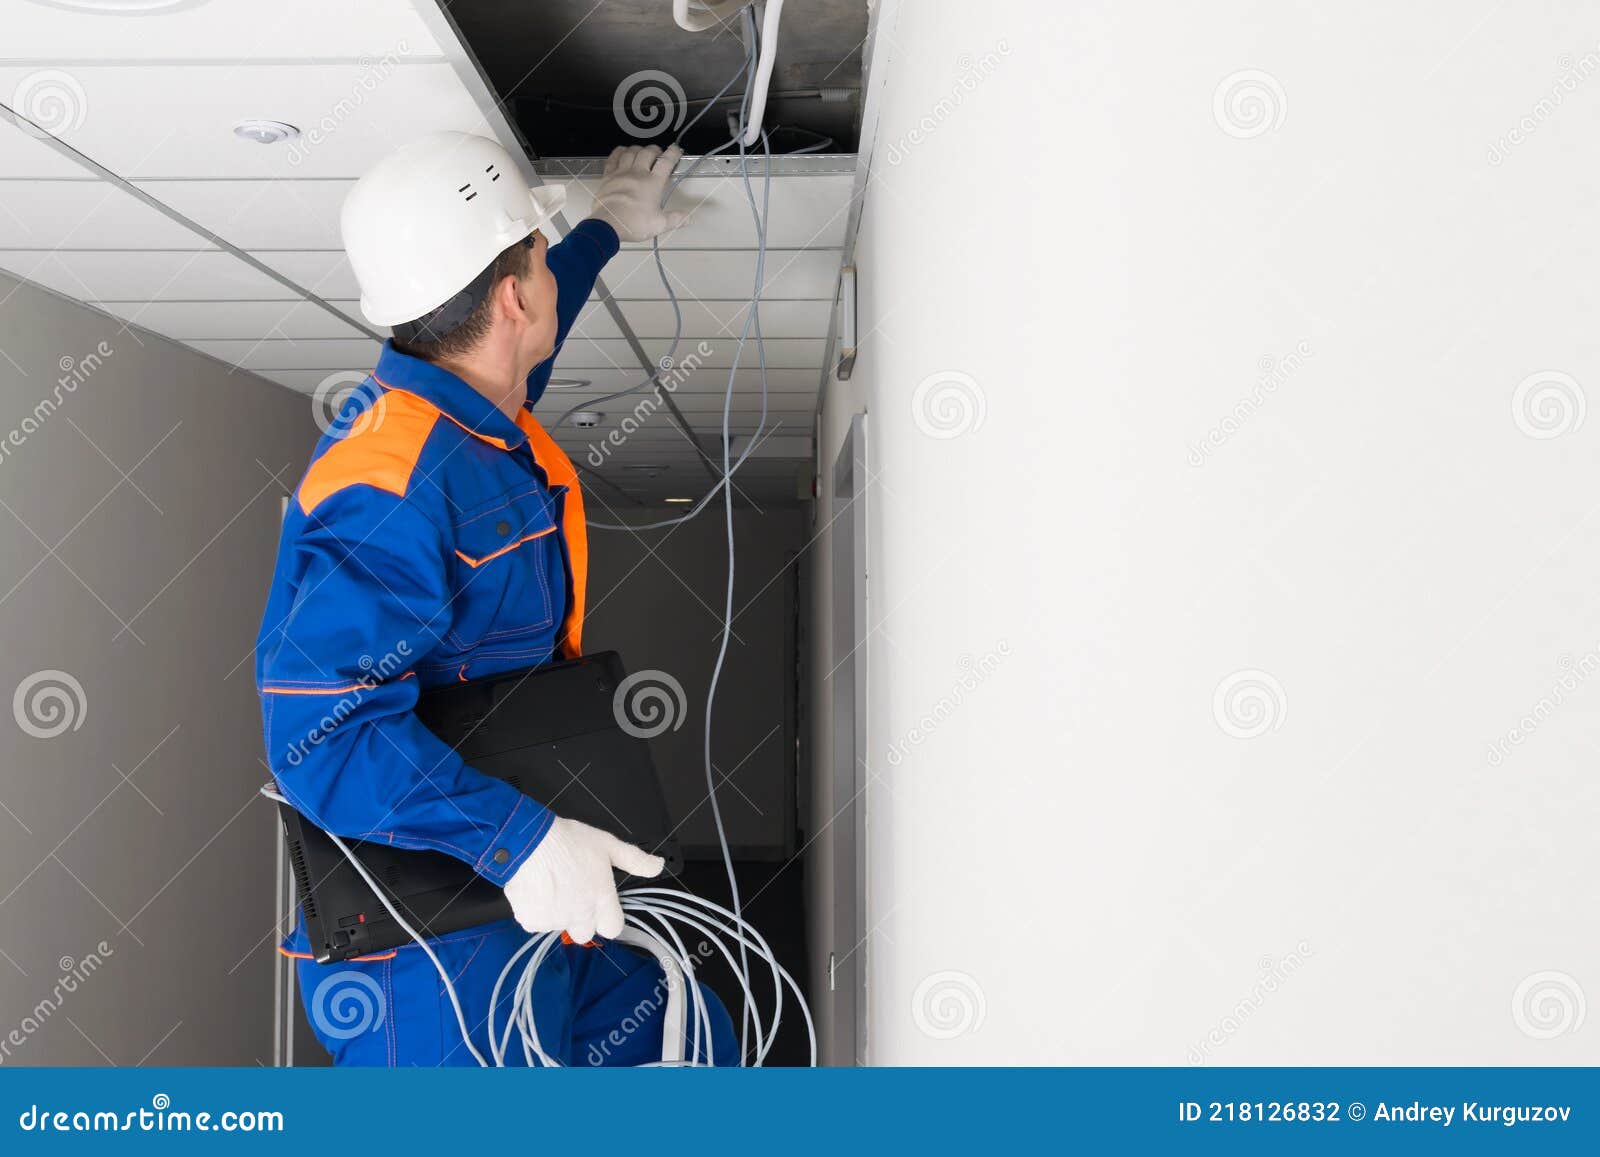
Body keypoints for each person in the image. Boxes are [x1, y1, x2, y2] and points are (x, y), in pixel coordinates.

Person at [255, 131, 734, 1067]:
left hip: (510, 883)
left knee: (692, 1038)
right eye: (541, 258)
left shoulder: (472, 413)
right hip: (431, 946)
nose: (551, 273)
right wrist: (523, 844)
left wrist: (603, 229)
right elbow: (320, 734)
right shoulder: (388, 489)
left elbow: (526, 356)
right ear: (514, 294)